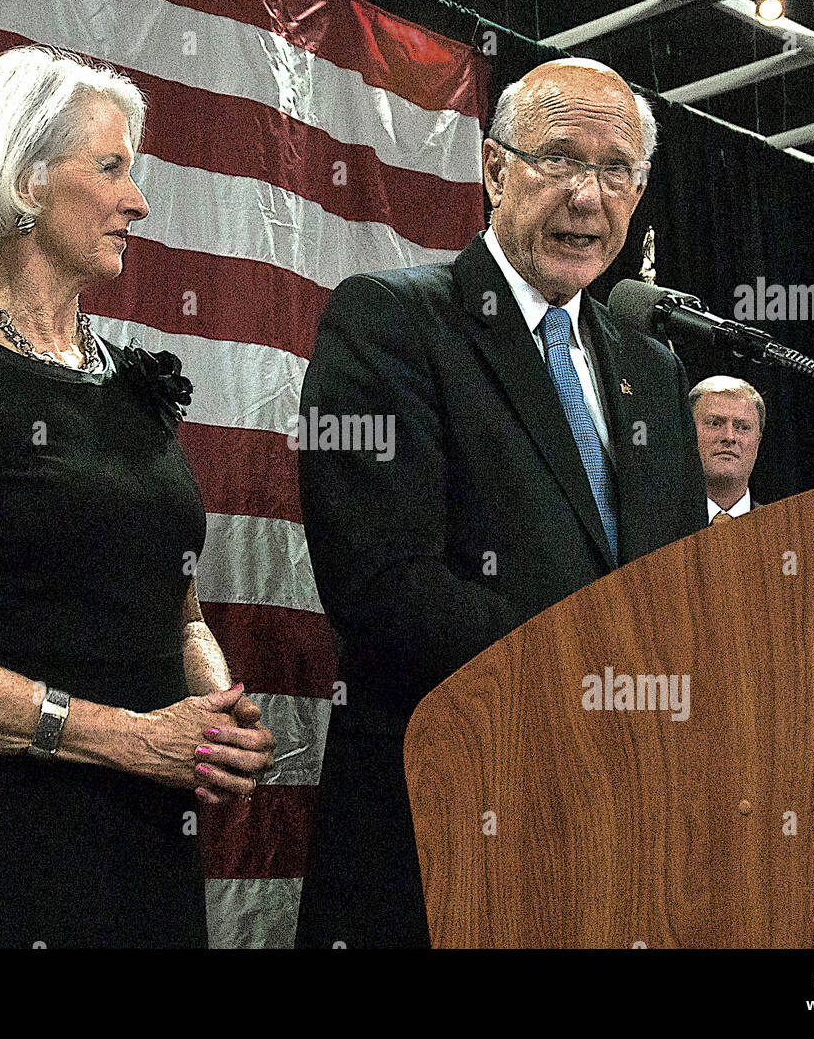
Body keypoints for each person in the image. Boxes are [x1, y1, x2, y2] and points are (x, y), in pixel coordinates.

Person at [0, 45, 273, 948]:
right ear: (24, 181)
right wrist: (124, 737)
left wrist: (215, 704)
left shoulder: (136, 381)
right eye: (111, 167)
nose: (138, 200)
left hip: (142, 833)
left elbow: (175, 608)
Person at [294, 58, 707, 948]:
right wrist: (603, 680)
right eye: (560, 160)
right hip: (446, 830)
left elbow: (680, 591)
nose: (588, 198)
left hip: (619, 847)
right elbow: (386, 589)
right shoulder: (390, 323)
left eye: (616, 171)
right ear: (492, 169)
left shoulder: (655, 371)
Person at [689, 375, 765, 521]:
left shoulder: (785, 531)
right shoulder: (655, 528)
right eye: (714, 423)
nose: (729, 437)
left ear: (758, 442)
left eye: (743, 427)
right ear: (687, 432)